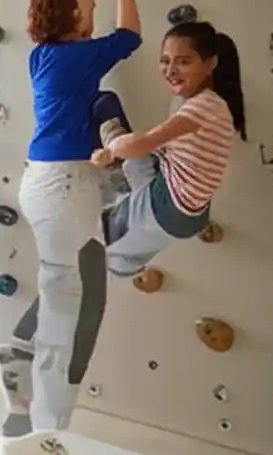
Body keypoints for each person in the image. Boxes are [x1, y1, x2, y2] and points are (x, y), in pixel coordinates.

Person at [0, 0, 139, 455]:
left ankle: (19, 351)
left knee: (78, 296)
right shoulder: (79, 56)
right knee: (72, 307)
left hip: (56, 184)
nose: (94, 16)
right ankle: (40, 438)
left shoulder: (46, 56)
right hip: (64, 189)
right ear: (74, 18)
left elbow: (97, 30)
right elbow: (130, 37)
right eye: (88, 11)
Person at [91, 21, 244, 274]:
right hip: (189, 213)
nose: (171, 70)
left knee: (109, 233)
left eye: (183, 62)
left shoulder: (204, 107)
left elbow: (147, 141)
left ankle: (111, 243)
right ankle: (119, 255)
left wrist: (112, 149)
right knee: (109, 110)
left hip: (170, 205)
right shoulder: (206, 105)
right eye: (165, 60)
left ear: (210, 64)